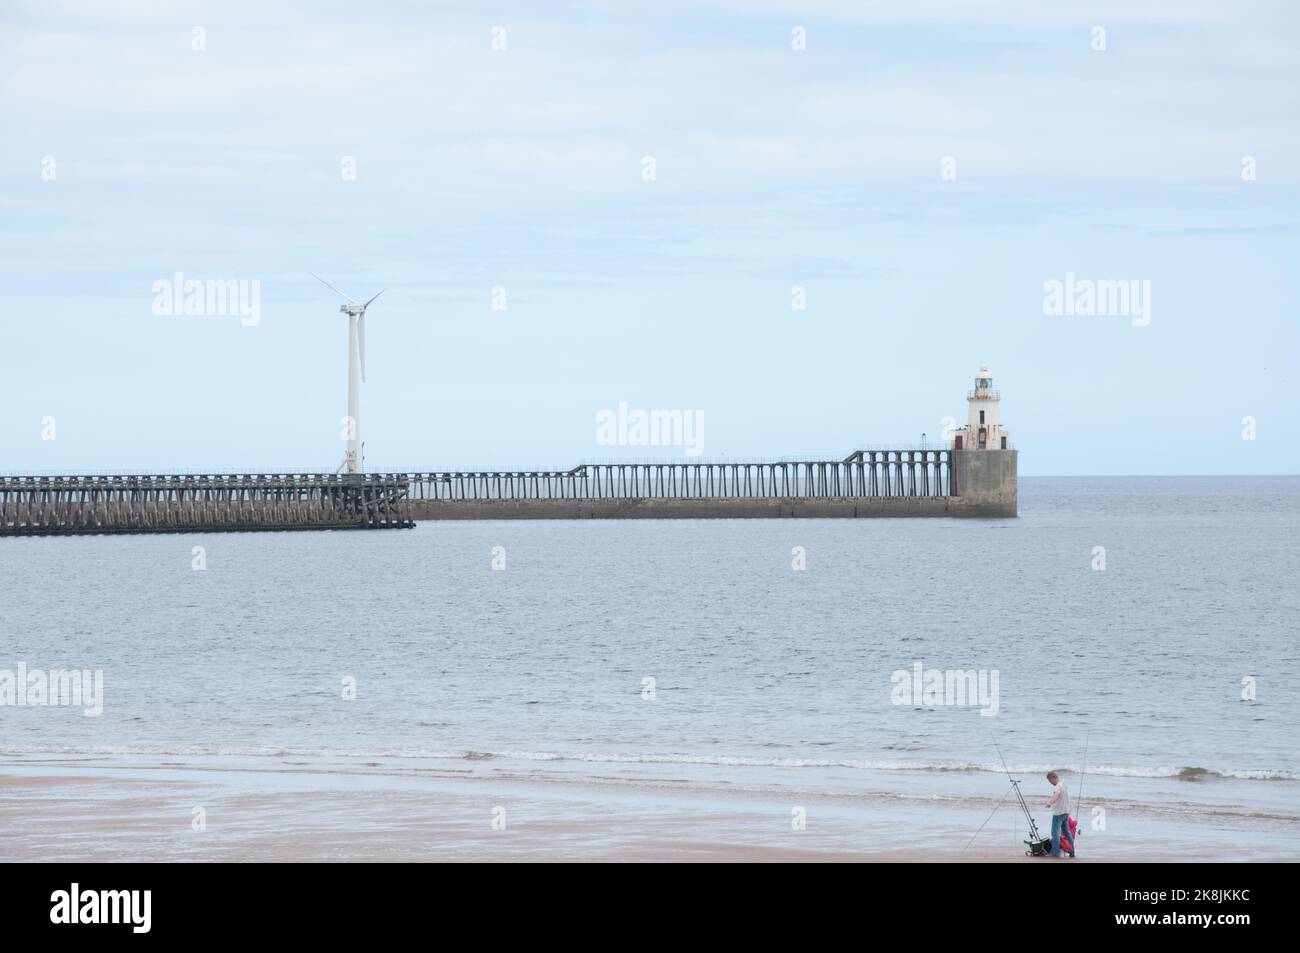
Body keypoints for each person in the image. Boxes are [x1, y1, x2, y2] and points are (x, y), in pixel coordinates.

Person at [1045, 771, 1074, 858]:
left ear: (1053, 778)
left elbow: (1056, 795)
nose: (1050, 783)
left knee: (1055, 833)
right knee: (1067, 832)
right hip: (1066, 812)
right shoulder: (1064, 785)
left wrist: (1049, 802)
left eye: (1050, 781)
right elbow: (1068, 798)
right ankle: (1072, 852)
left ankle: (1055, 852)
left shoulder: (1057, 786)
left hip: (1058, 813)